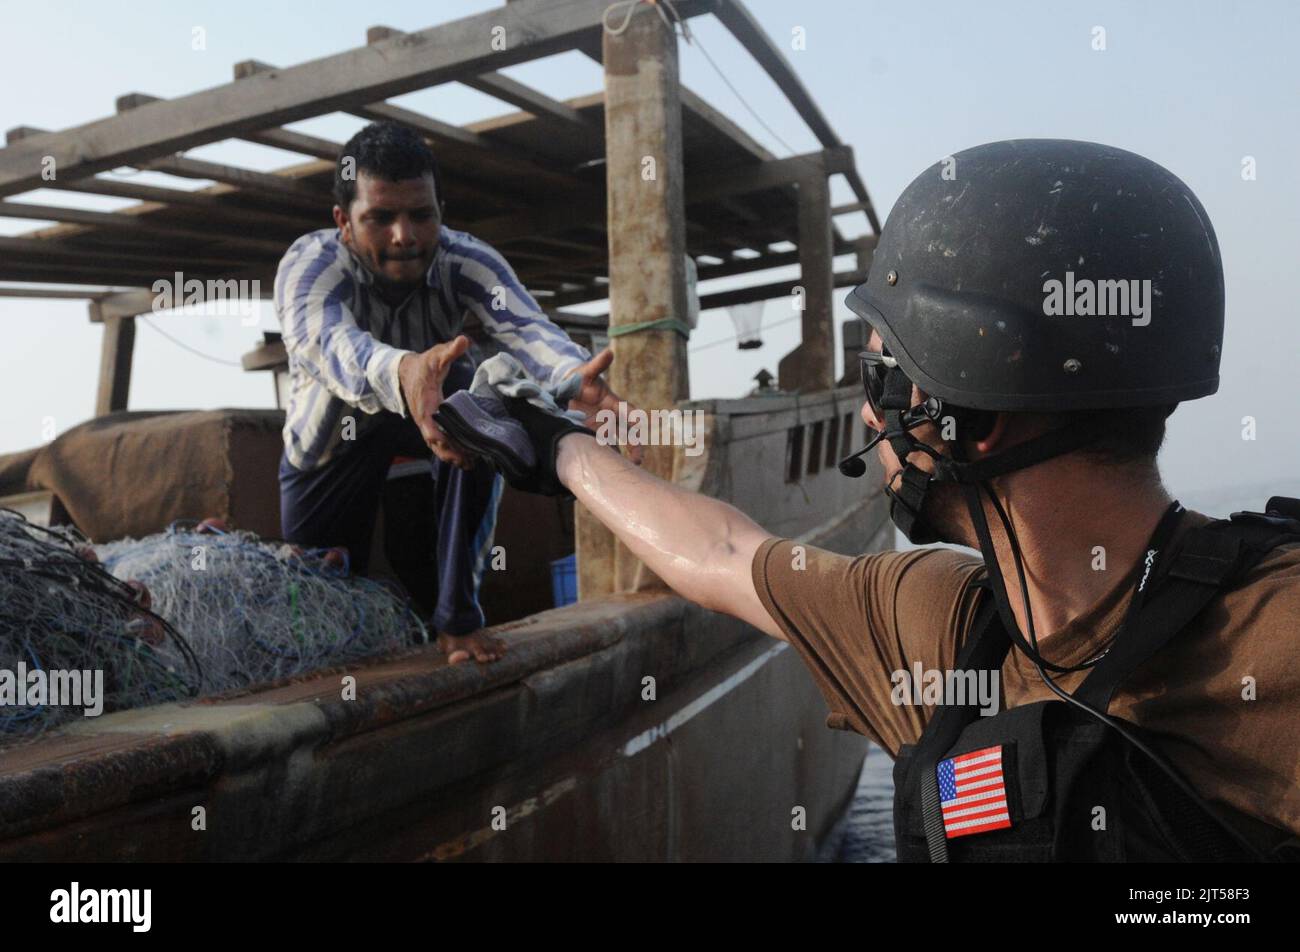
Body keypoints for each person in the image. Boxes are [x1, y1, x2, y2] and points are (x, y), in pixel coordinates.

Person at [483, 139, 1300, 861]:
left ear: (973, 419)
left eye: (883, 378)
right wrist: (560, 447)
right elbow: (721, 553)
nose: (870, 414)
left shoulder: (1277, 641)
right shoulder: (937, 628)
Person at [274, 121, 639, 666]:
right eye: (380, 217)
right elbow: (328, 344)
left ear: (440, 211)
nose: (405, 236)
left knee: (479, 397)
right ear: (343, 223)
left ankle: (458, 620)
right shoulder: (311, 266)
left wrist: (570, 375)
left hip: (435, 427)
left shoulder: (466, 261)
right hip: (333, 442)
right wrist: (403, 371)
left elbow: (526, 328)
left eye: (421, 214)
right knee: (318, 579)